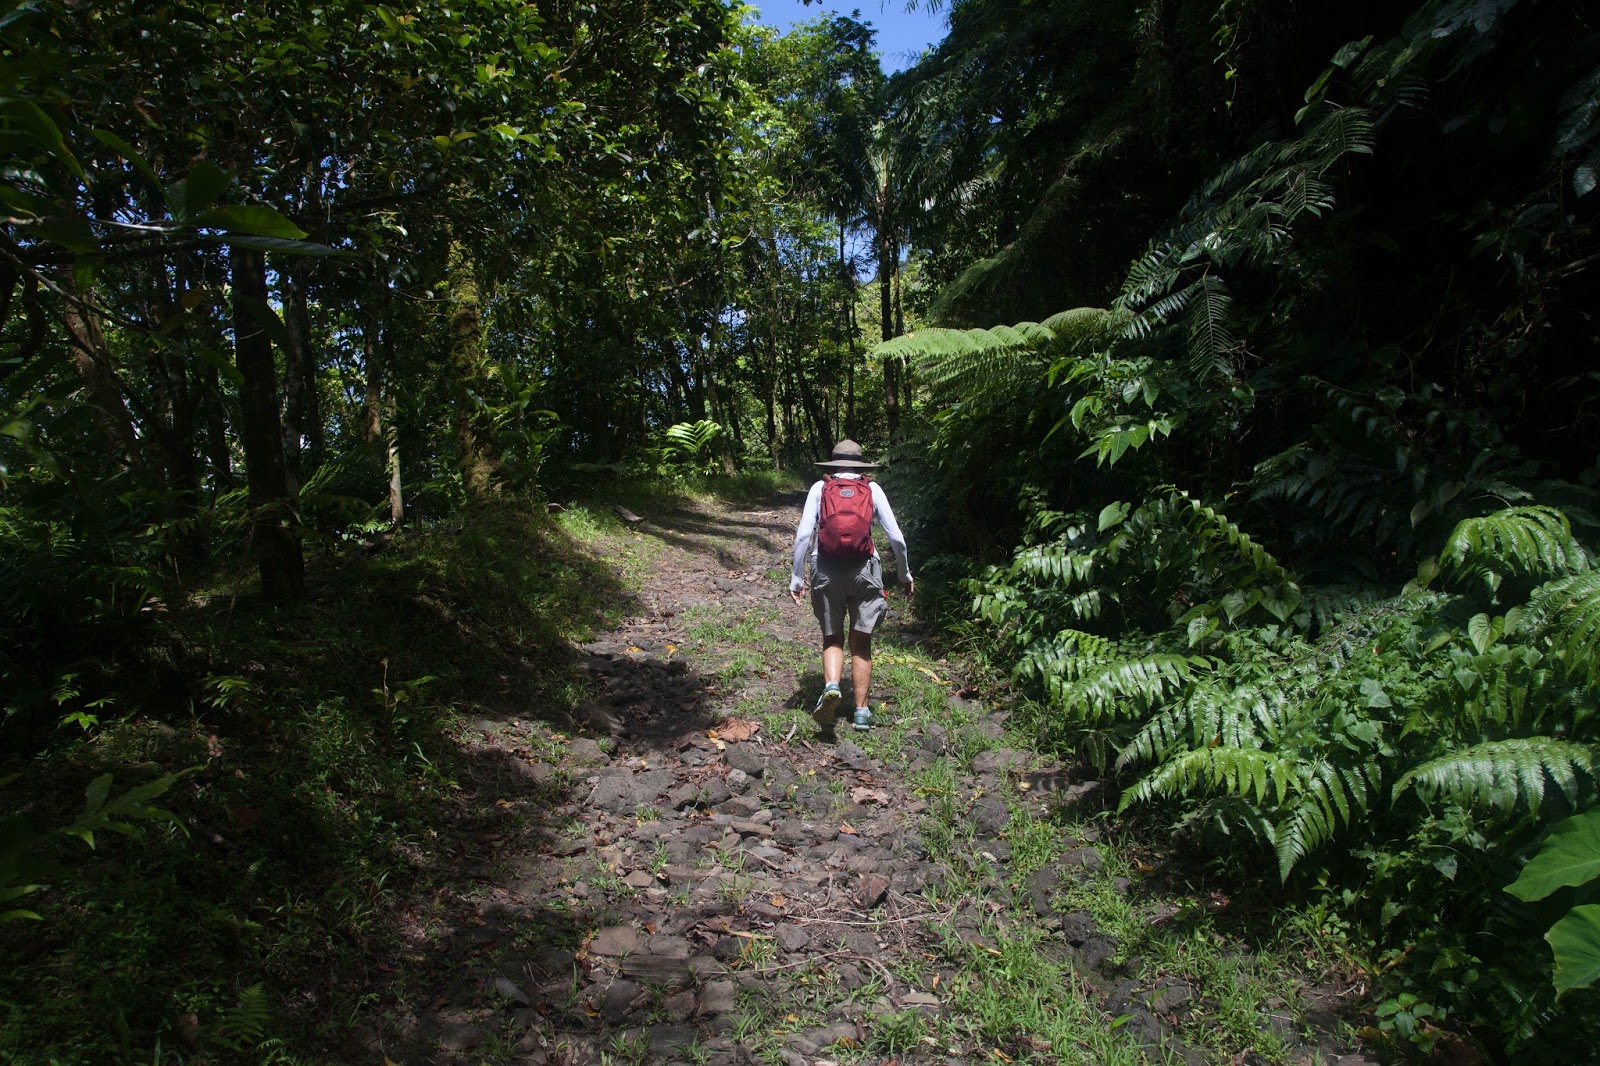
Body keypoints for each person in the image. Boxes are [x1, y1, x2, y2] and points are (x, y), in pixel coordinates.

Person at [788, 439, 914, 737]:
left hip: (826, 569)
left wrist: (797, 577)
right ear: (860, 464)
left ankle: (832, 686)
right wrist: (904, 573)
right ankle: (860, 712)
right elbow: (896, 538)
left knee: (832, 637)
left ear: (832, 463)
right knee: (862, 642)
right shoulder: (872, 489)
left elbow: (804, 535)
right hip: (865, 569)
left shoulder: (820, 489)